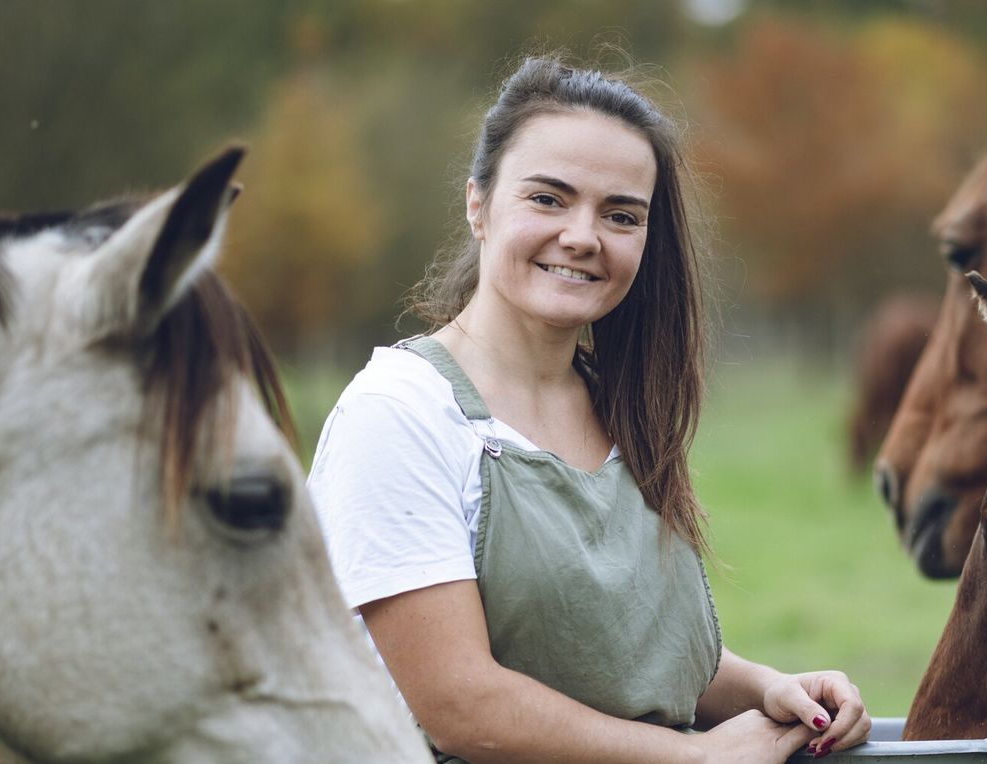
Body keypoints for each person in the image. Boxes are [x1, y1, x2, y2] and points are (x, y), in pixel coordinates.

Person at [308, 55, 871, 763]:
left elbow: (621, 661)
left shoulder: (622, 408)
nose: (583, 236)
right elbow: (459, 705)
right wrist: (698, 759)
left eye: (620, 215)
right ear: (478, 205)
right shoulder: (399, 415)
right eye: (548, 199)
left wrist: (770, 687)